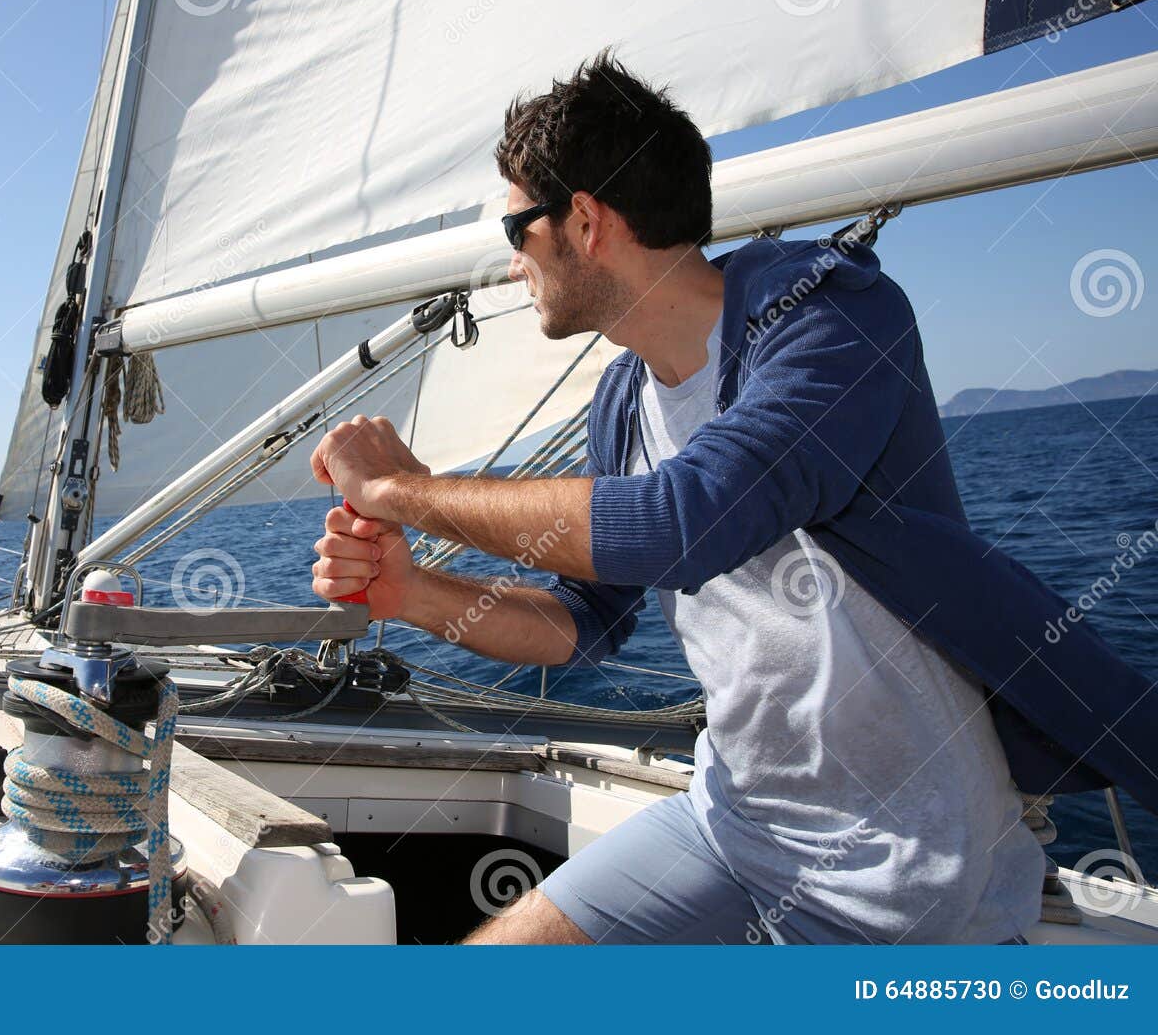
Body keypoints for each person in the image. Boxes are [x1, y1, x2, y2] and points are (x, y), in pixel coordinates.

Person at [307, 51, 1155, 944]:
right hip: (730, 822)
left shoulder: (831, 320)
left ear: (585, 221)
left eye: (518, 230)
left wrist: (402, 491)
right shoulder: (621, 402)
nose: (513, 262)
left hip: (907, 875)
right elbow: (582, 623)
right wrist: (411, 596)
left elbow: (688, 521)